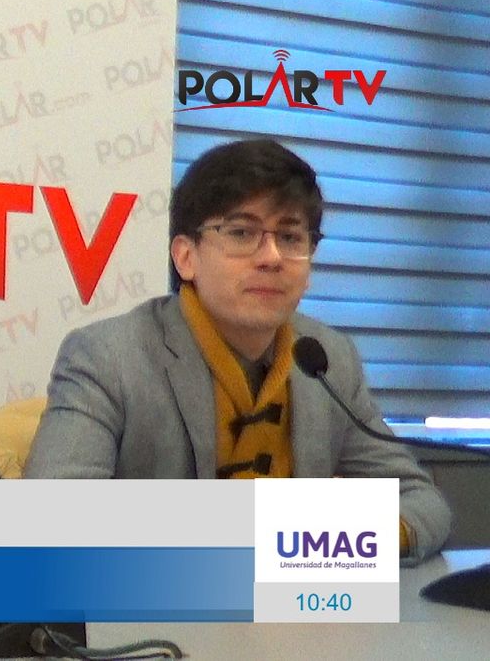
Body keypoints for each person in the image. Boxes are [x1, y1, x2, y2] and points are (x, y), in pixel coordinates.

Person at [24, 139, 450, 564]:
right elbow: (52, 520)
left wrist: (331, 543)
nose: (271, 257)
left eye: (290, 236)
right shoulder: (109, 357)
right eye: (242, 233)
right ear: (185, 257)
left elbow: (421, 503)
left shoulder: (327, 359)